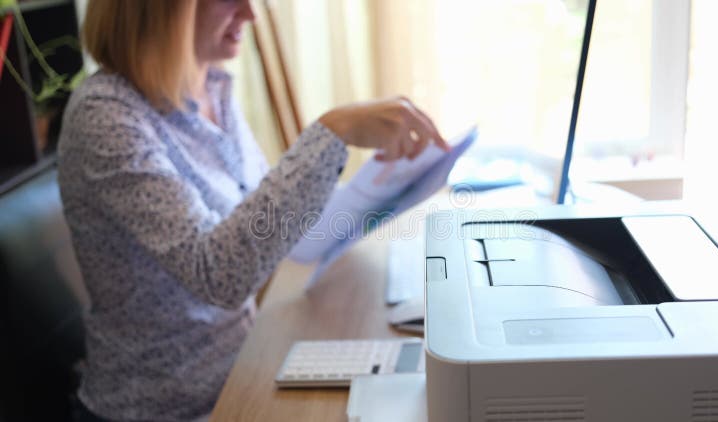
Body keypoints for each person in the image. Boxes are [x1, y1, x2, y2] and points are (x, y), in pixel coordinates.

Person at [57, 0, 448, 420]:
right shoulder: (106, 118)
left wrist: (383, 192)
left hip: (242, 369)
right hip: (167, 407)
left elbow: (262, 229)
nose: (250, 14)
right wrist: (332, 132)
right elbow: (220, 275)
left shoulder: (212, 90)